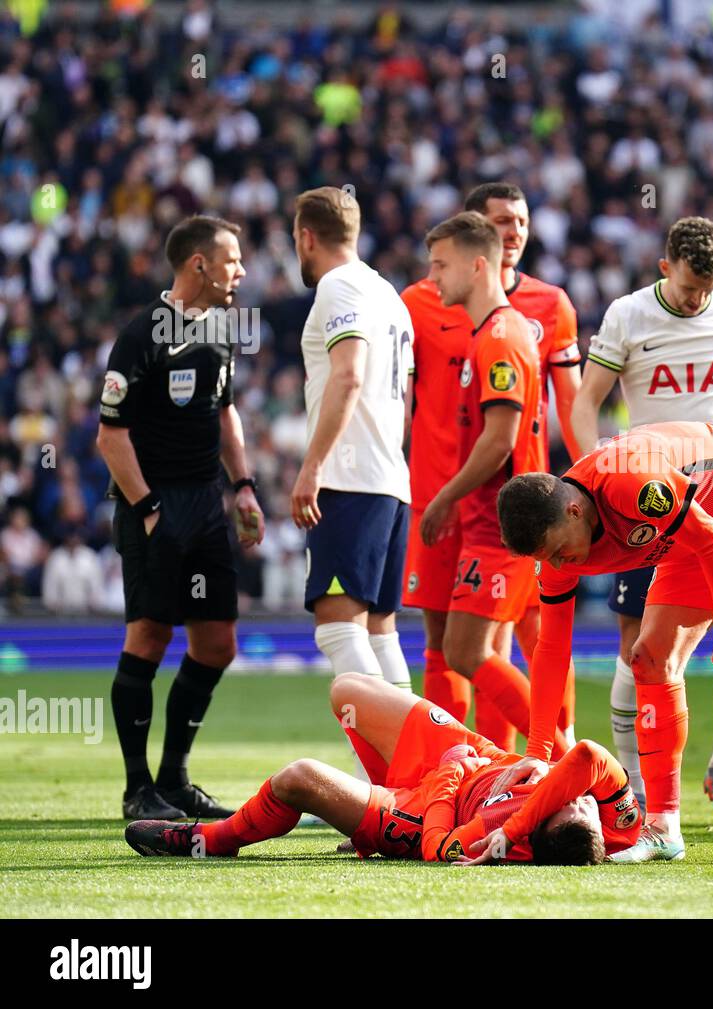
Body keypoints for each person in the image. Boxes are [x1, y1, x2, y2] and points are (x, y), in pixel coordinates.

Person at [493, 421, 713, 867]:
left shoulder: (633, 484)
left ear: (573, 510)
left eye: (557, 551)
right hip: (699, 532)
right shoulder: (556, 552)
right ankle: (664, 827)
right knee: (649, 660)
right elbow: (551, 648)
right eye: (546, 559)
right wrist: (536, 752)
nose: (557, 564)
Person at [570, 216, 713, 825]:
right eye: (690, 288)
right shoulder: (627, 316)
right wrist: (593, 480)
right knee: (638, 649)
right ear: (665, 266)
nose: (698, 301)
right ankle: (634, 790)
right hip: (647, 501)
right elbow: (585, 402)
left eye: (708, 290)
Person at [97, 214, 264, 820]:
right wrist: (146, 510)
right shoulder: (141, 336)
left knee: (216, 643)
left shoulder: (222, 332)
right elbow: (108, 438)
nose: (241, 270)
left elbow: (225, 414)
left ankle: (174, 779)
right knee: (149, 635)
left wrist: (242, 485)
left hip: (207, 504)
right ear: (199, 264)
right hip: (155, 502)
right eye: (232, 259)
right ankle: (137, 789)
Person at [402, 182, 580, 750]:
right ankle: (482, 769)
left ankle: (556, 756)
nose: (434, 278)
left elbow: (502, 437)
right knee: (457, 647)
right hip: (462, 503)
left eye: (441, 266)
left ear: (472, 263)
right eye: (501, 219)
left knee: (491, 646)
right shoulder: (443, 314)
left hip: (495, 515)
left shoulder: (511, 330)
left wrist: (449, 496)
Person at [124, 674, 640, 864]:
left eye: (566, 807)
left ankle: (210, 839)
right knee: (346, 691)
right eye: (583, 805)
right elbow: (591, 758)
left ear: (542, 831)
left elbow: (439, 847)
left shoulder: (495, 839)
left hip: (424, 807)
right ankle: (364, 814)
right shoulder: (614, 830)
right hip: (472, 751)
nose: (578, 797)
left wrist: (449, 777)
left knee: (298, 777)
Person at [290, 187, 415, 735]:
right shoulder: (390, 294)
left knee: (339, 632)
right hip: (388, 477)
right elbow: (403, 398)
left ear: (305, 236)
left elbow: (349, 374)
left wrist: (313, 466)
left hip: (349, 478)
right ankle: (418, 774)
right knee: (380, 632)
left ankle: (384, 785)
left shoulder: (338, 285)